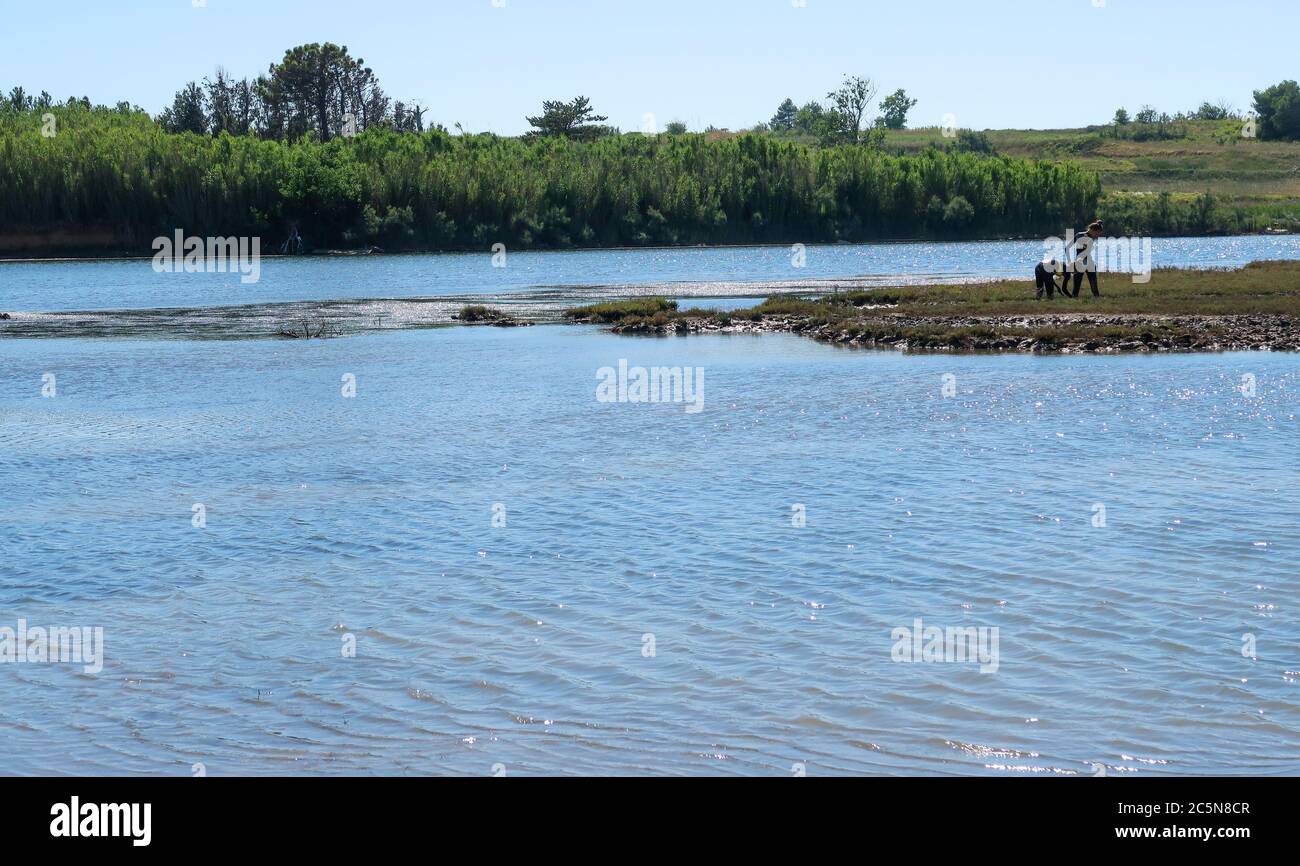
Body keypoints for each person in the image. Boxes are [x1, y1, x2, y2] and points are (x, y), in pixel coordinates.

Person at [1067, 221, 1104, 297]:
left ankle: (1097, 300)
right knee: (1076, 288)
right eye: (1097, 233)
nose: (1097, 236)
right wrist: (1070, 261)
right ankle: (1074, 300)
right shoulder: (1080, 235)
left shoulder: (1089, 237)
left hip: (1088, 263)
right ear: (1092, 230)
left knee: (1094, 287)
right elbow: (1067, 248)